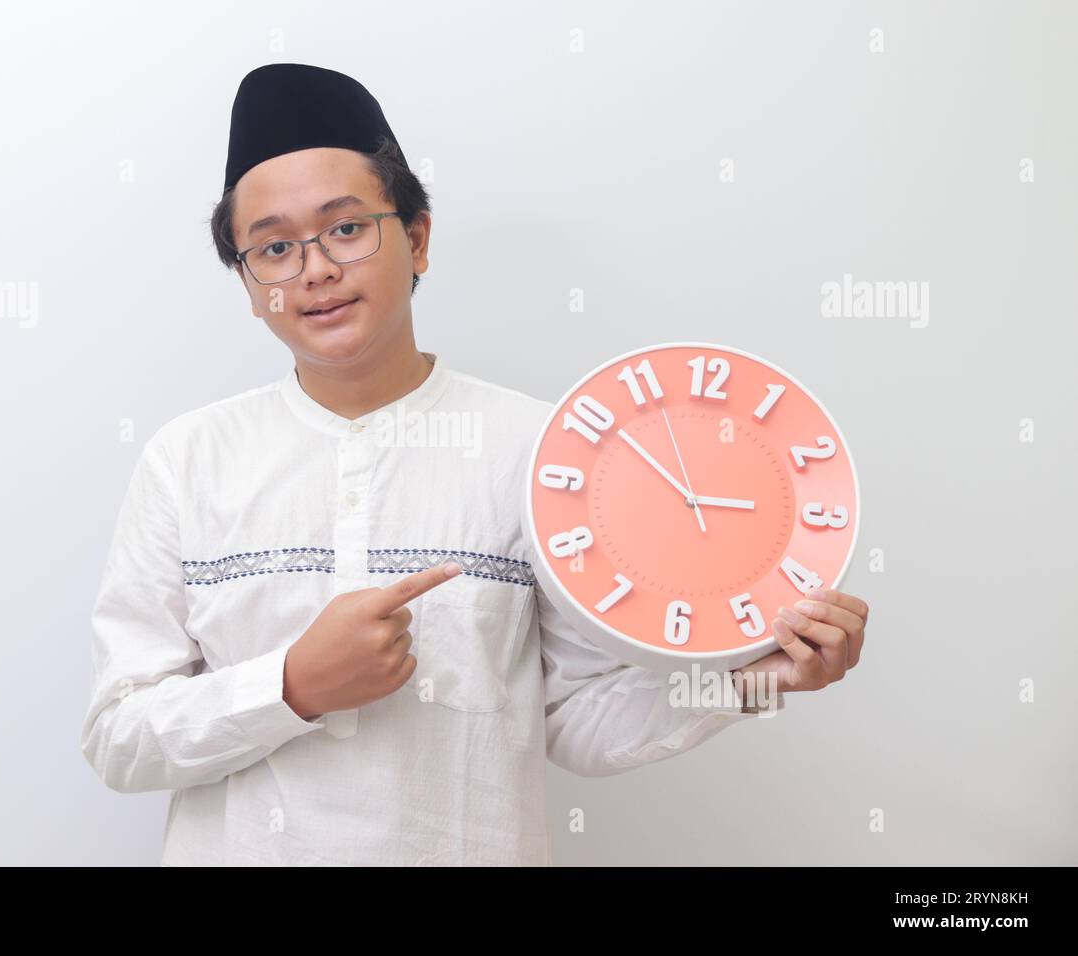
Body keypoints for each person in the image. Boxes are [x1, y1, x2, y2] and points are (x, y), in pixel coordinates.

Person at [79, 63, 870, 866]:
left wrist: (750, 680)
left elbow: (570, 718)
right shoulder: (188, 459)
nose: (314, 269)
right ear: (251, 286)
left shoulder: (543, 452)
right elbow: (118, 734)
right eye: (274, 248)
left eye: (346, 229)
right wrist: (292, 685)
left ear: (416, 236)